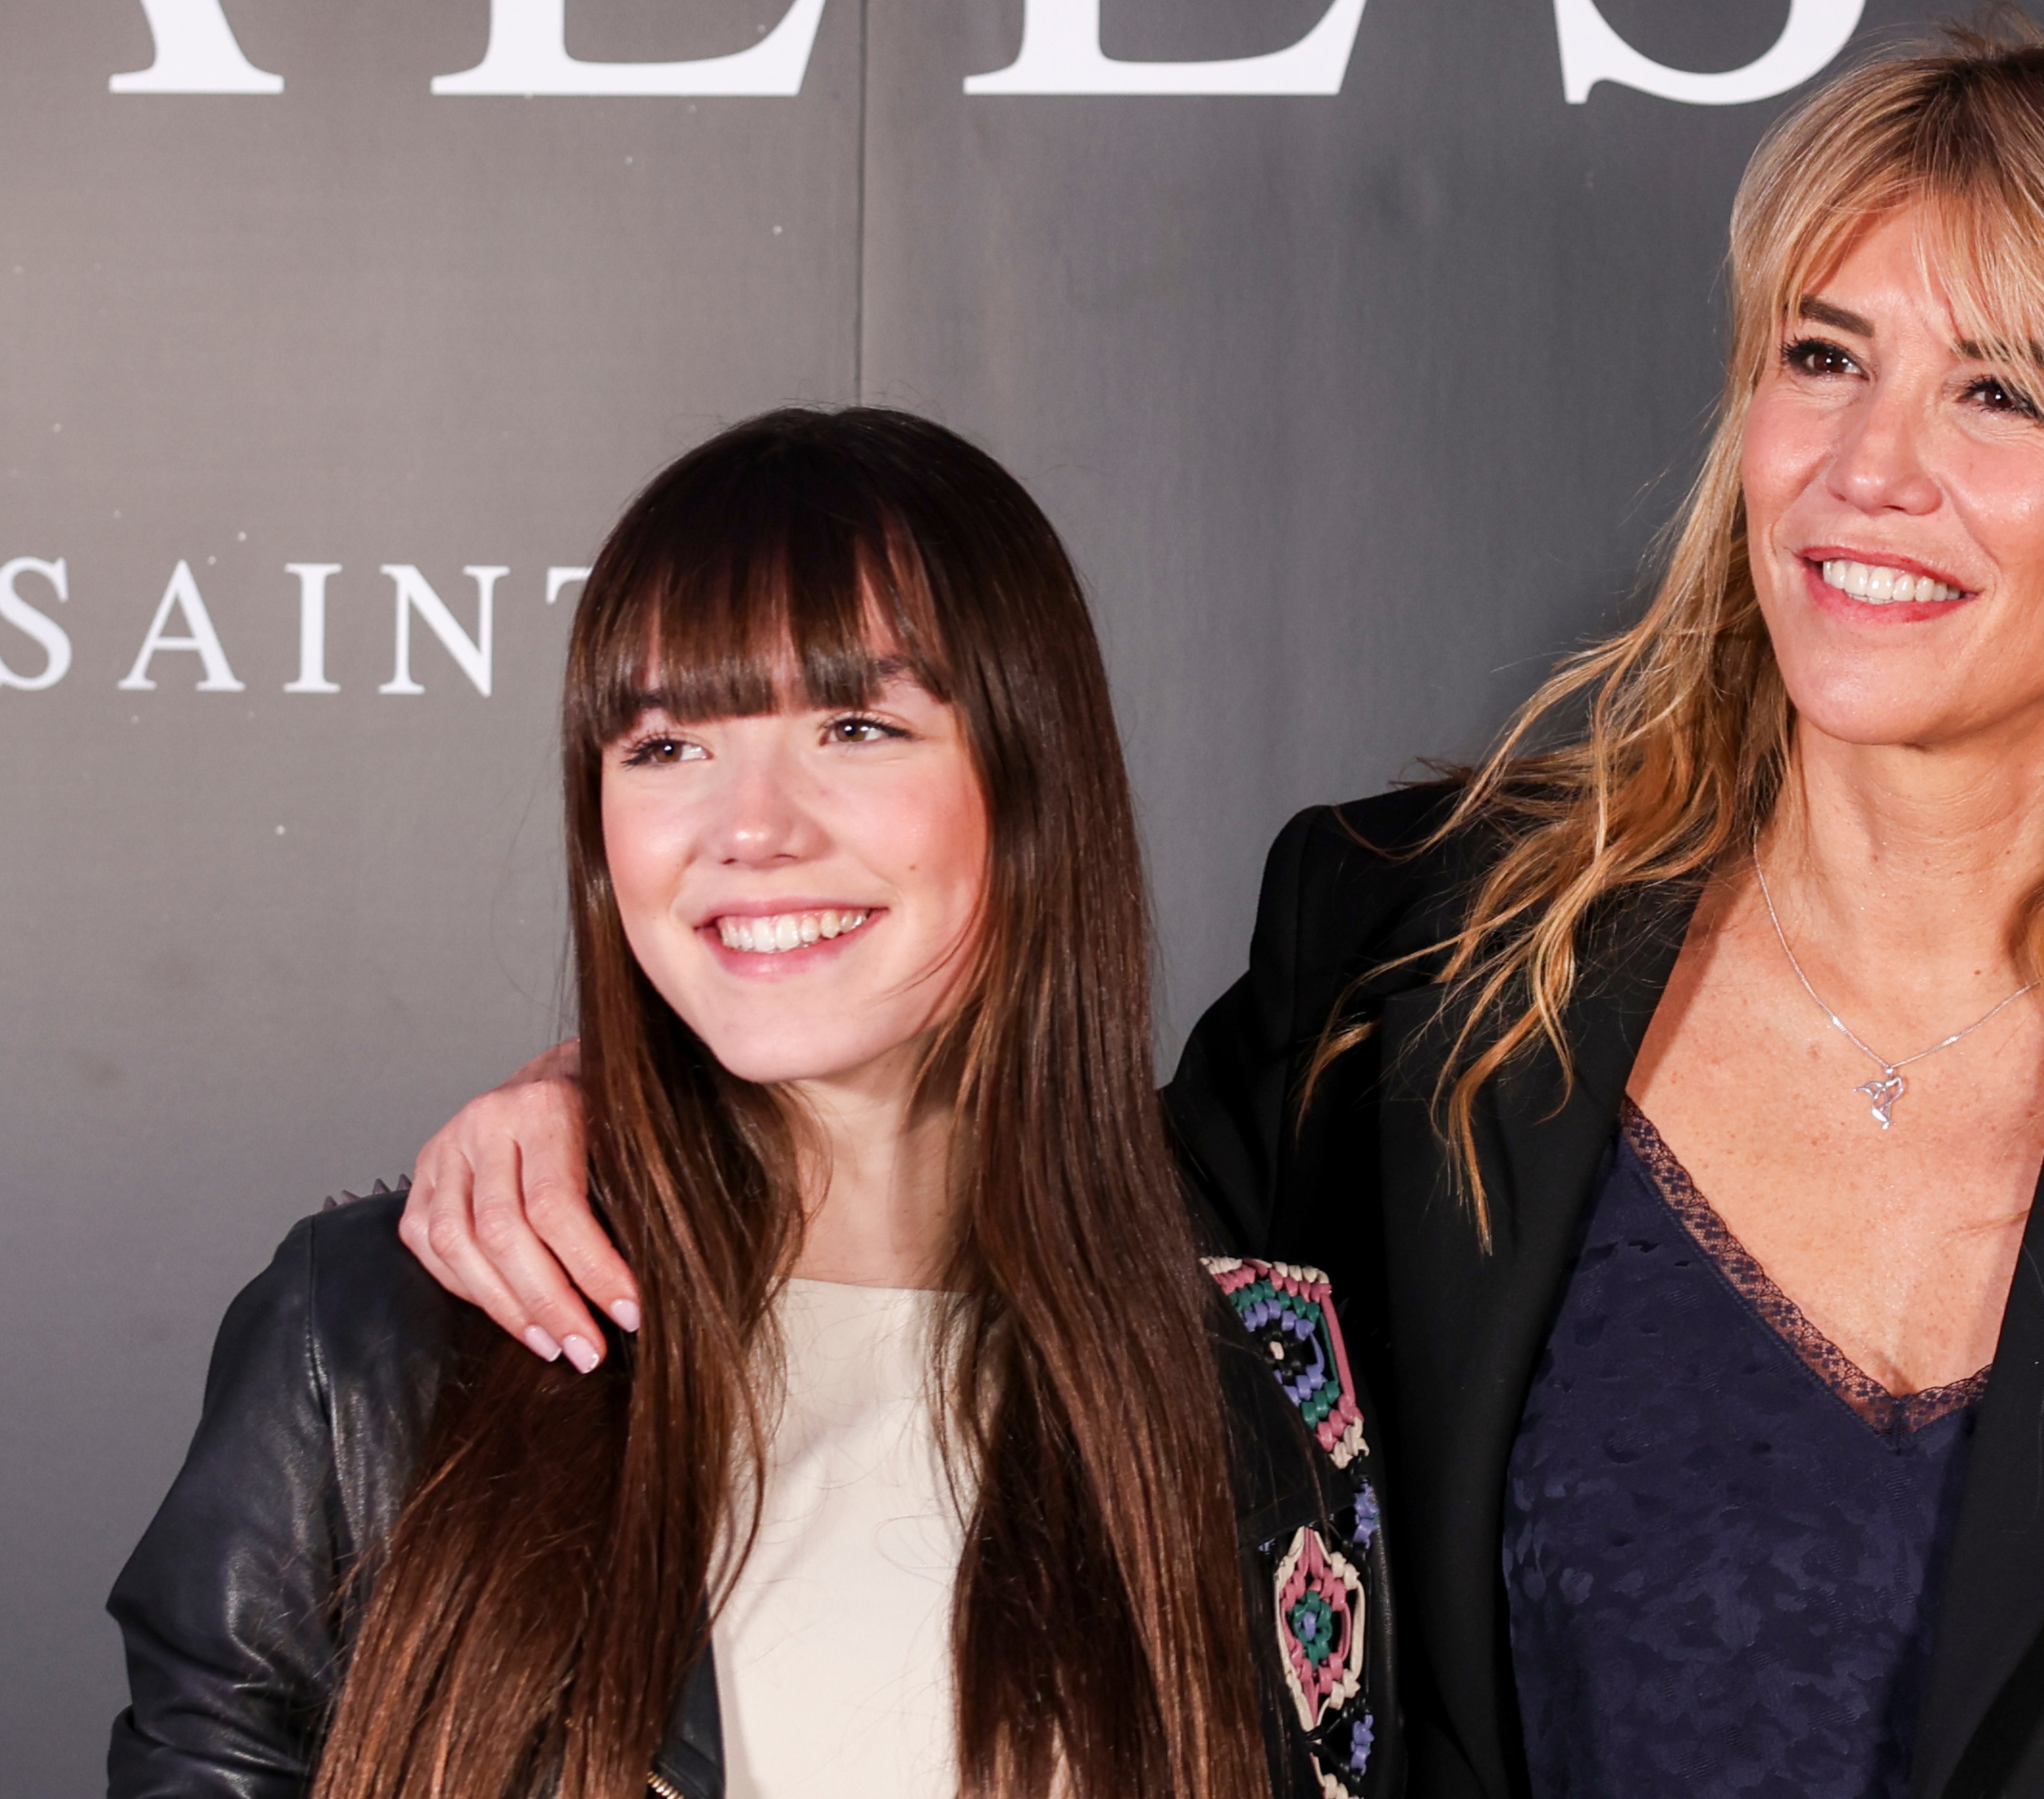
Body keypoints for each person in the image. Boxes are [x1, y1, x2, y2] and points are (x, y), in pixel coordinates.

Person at [391, 27, 2044, 1799]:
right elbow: (1001, 1242)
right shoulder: (1409, 960)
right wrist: (619, 1094)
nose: (1867, 467)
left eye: (2000, 390)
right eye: (1820, 355)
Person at [107, 408, 1395, 1799]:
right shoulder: (372, 1348)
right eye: (665, 748)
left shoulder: (1259, 1379)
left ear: (1033, 781)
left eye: (857, 726)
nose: (750, 828)